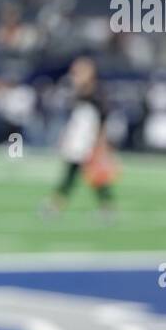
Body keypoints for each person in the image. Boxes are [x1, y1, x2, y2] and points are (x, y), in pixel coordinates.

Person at [42, 56, 116, 219]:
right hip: (78, 141)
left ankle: (106, 208)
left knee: (94, 176)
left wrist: (99, 143)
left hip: (88, 141)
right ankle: (56, 205)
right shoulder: (76, 92)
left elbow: (101, 120)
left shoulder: (96, 94)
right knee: (72, 173)